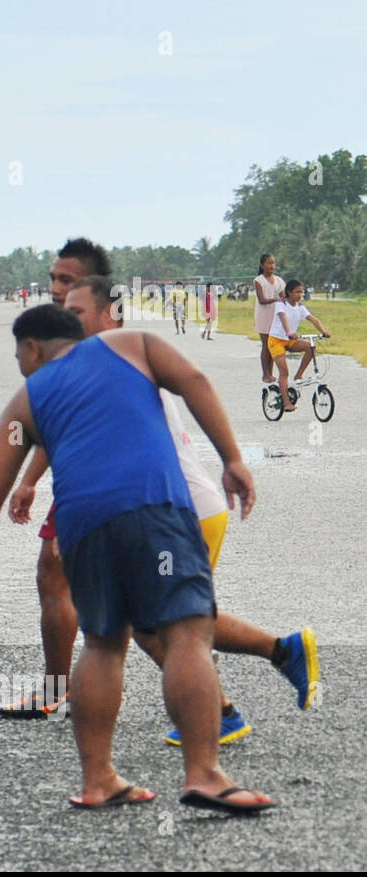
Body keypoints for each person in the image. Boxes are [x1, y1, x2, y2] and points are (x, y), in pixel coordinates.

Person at [0, 303, 276, 813]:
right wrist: (232, 458)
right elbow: (193, 379)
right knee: (187, 632)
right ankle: (205, 774)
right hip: (153, 507)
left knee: (103, 643)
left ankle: (98, 779)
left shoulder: (25, 402)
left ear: (32, 347)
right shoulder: (134, 345)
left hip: (81, 529)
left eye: (19, 356)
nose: (22, 365)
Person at [59, 277, 320, 741]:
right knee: (160, 621)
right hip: (178, 509)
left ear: (110, 316)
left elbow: (186, 392)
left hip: (182, 511)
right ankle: (247, 683)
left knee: (168, 623)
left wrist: (233, 460)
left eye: (77, 311)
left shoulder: (112, 368)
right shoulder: (113, 364)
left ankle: (233, 697)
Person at [0, 237, 111, 716]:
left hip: (102, 481)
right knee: (148, 606)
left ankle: (59, 690)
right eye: (54, 279)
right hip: (92, 480)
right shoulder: (75, 337)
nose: (55, 289)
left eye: (67, 281)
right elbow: (58, 423)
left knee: (148, 612)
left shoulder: (93, 341)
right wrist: (29, 480)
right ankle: (58, 687)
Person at [268, 279, 332, 412]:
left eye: (302, 292)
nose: (300, 294)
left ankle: (298, 376)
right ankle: (286, 403)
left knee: (310, 347)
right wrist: (289, 332)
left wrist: (323, 332)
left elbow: (313, 319)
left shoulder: (300, 307)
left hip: (290, 340)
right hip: (276, 340)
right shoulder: (281, 304)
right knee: (284, 372)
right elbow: (282, 317)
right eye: (297, 292)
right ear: (289, 292)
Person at [254, 254, 284, 383]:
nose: (272, 266)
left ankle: (270, 373)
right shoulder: (258, 280)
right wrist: (277, 299)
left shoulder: (279, 280)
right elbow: (262, 300)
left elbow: (284, 297)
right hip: (263, 315)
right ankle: (265, 374)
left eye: (273, 263)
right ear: (262, 265)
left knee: (272, 345)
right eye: (269, 263)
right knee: (265, 345)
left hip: (275, 315)